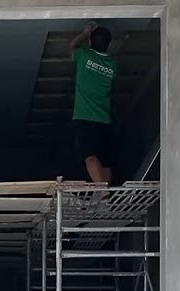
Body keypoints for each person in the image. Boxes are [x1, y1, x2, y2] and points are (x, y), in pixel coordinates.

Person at [70, 22, 118, 185]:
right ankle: (106, 193)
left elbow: (72, 48)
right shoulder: (113, 65)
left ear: (90, 41)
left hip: (85, 117)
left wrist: (85, 33)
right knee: (105, 160)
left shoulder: (83, 56)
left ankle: (103, 193)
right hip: (104, 119)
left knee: (89, 155)